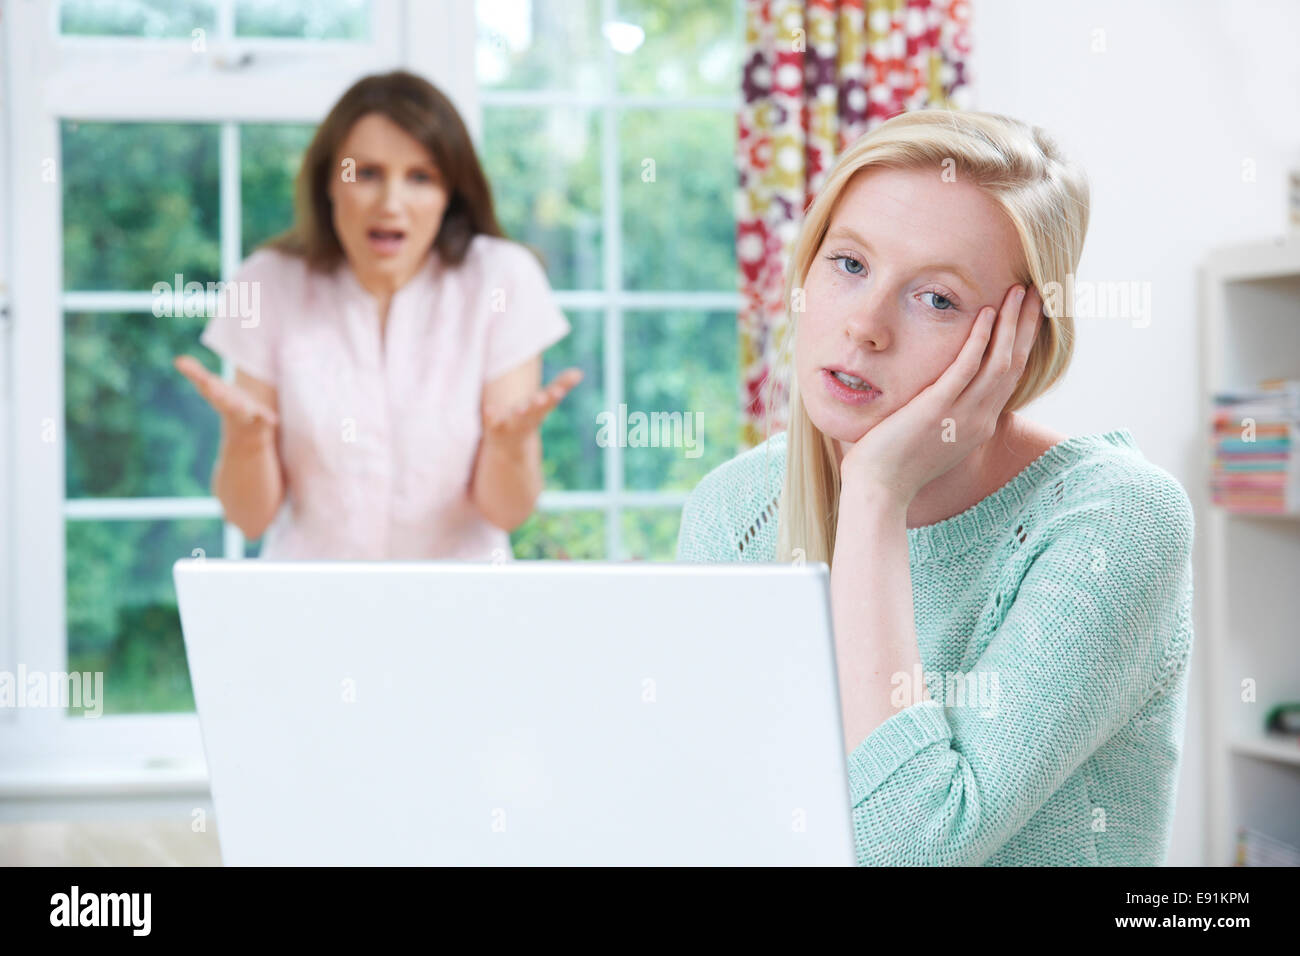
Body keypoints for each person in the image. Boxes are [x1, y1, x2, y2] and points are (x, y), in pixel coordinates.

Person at [676, 109, 1195, 866]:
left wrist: (875, 494)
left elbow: (907, 851)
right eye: (850, 264)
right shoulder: (736, 511)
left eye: (937, 299)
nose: (865, 326)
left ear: (1020, 346)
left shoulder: (1115, 522)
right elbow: (711, 817)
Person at [175, 70, 581, 560]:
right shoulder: (269, 283)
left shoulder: (501, 279)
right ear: (329, 181)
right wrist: (247, 441)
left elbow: (507, 513)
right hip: (311, 607)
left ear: (451, 191)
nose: (391, 204)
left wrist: (511, 448)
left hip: (460, 608)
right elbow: (249, 517)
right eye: (365, 174)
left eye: (420, 177)